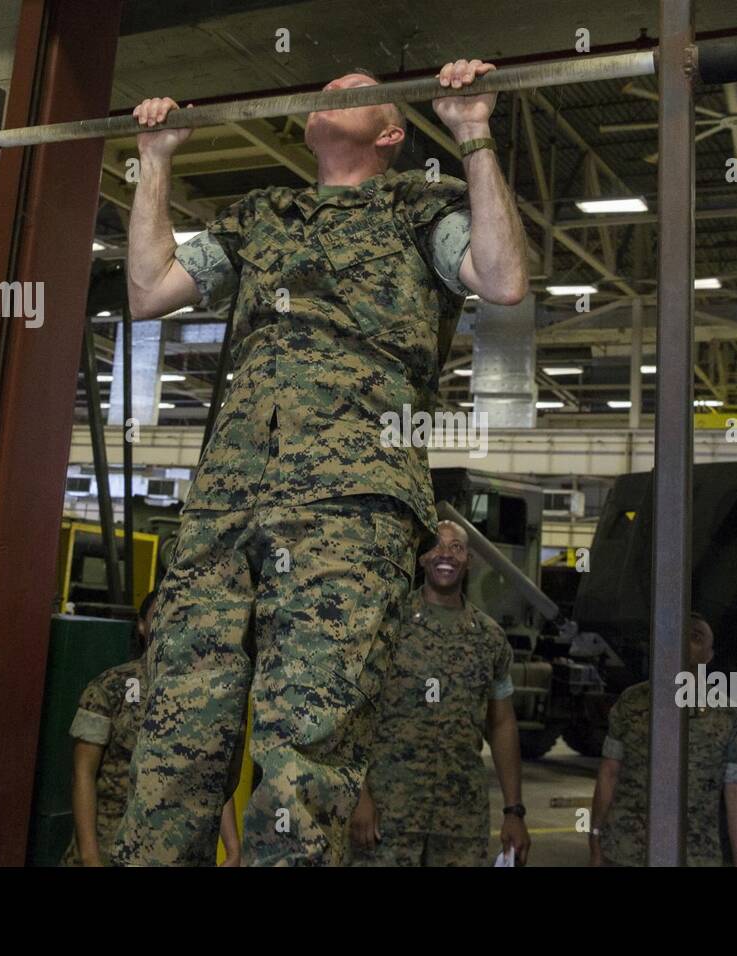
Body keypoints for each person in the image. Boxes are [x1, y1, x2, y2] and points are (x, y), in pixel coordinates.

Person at [113, 59, 529, 866]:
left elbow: (504, 278)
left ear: (391, 132)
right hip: (227, 502)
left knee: (303, 753)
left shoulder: (417, 209)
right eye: (324, 91)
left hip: (351, 505)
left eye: (355, 91)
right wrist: (157, 160)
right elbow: (150, 289)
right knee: (174, 747)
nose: (330, 93)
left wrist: (474, 133)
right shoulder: (266, 214)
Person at [349, 520, 529, 866]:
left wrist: (514, 811)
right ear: (421, 558)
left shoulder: (489, 638)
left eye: (457, 547)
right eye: (437, 545)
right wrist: (360, 795)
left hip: (459, 821)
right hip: (389, 816)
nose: (446, 554)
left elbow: (503, 724)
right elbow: (357, 714)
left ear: (469, 560)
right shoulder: (388, 626)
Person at [62, 592, 241, 867]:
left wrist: (232, 848)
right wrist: (90, 856)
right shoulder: (110, 687)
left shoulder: (205, 696)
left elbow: (211, 777)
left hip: (181, 850)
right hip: (113, 847)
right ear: (142, 626)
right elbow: (82, 774)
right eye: (161, 616)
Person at [589, 614, 737, 866]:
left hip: (695, 857)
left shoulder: (727, 715)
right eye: (678, 633)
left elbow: (736, 793)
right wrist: (595, 839)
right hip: (626, 852)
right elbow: (609, 772)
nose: (684, 641)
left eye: (696, 637)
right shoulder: (631, 702)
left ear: (709, 656)